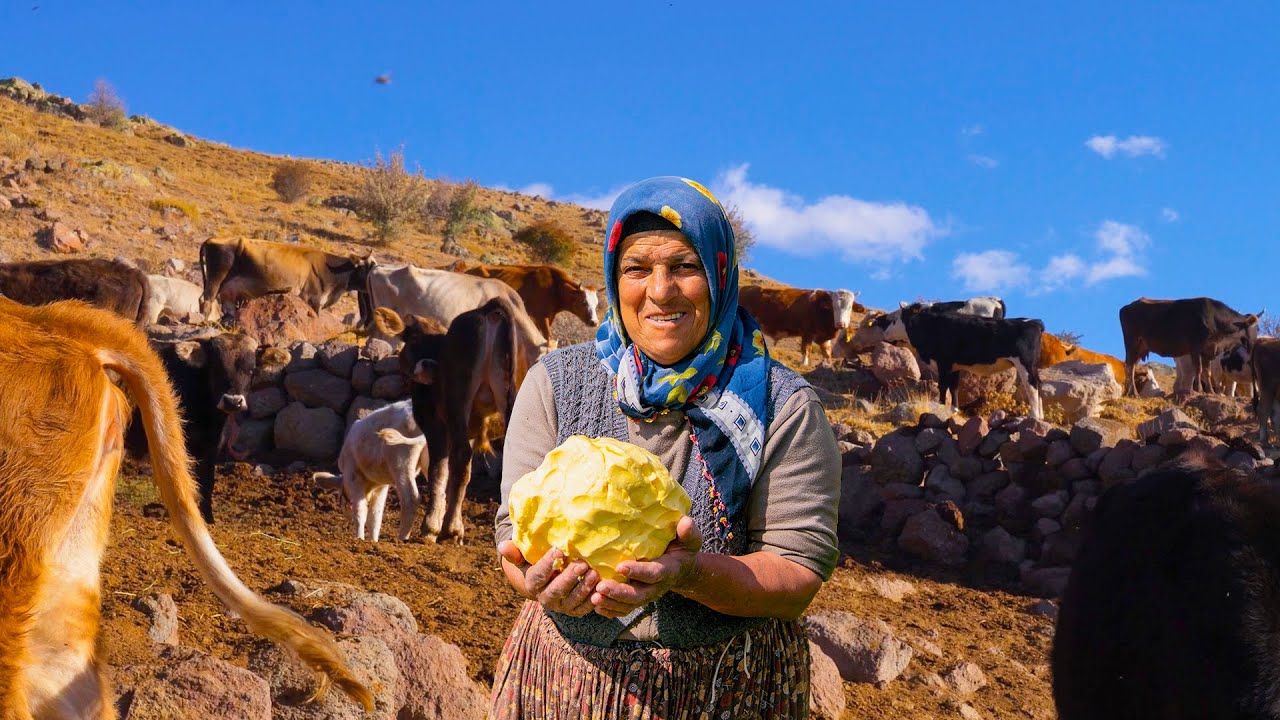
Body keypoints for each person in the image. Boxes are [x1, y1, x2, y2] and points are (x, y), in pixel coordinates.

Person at [490, 176, 841, 719]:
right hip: (563, 683)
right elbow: (515, 535)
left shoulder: (783, 405)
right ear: (613, 277)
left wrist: (692, 574)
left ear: (720, 275)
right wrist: (535, 583)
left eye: (684, 266)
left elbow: (795, 575)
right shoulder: (556, 382)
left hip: (730, 687)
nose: (659, 290)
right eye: (637, 269)